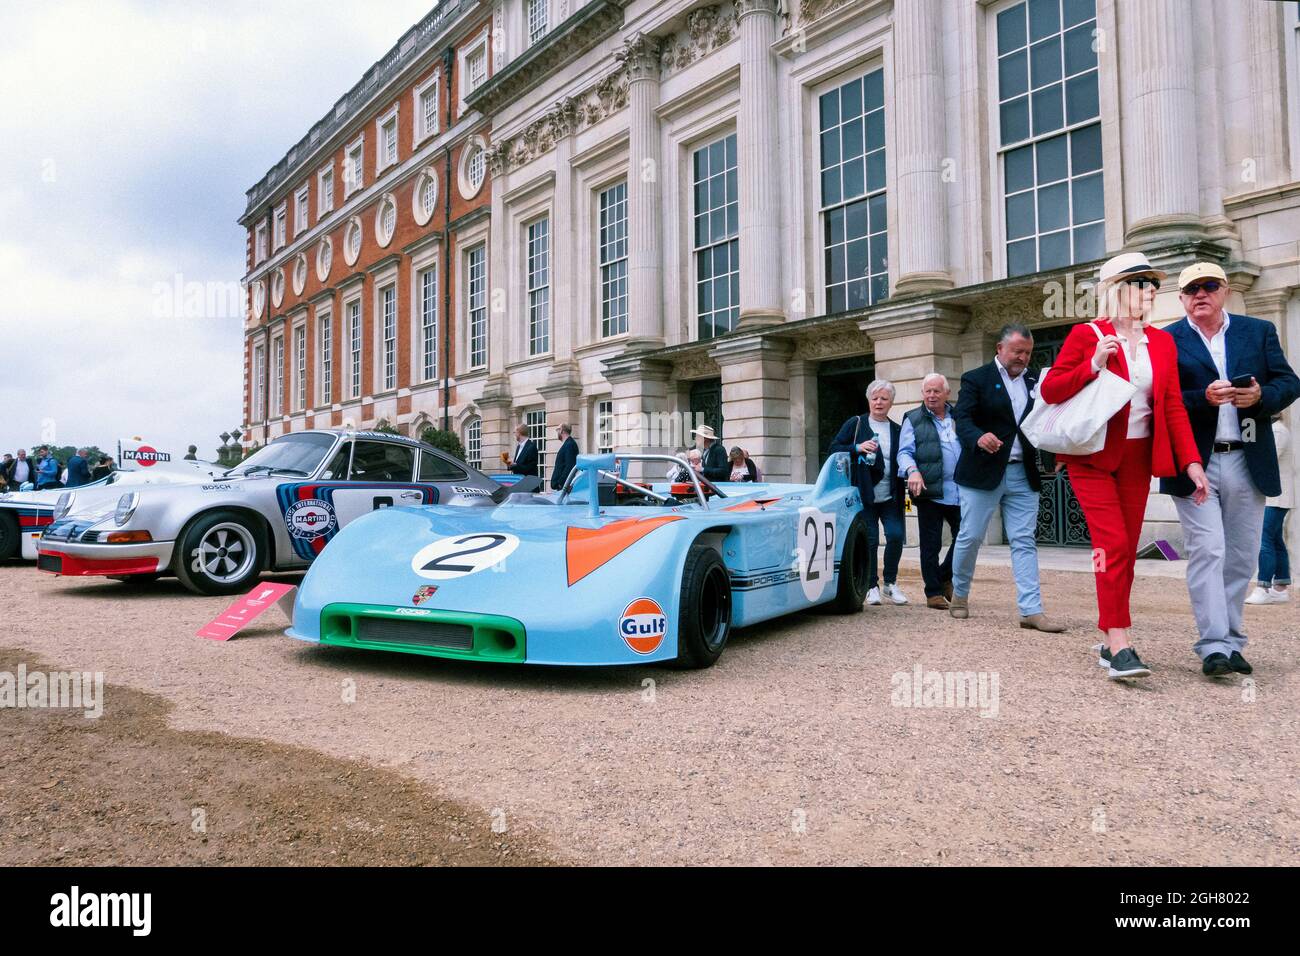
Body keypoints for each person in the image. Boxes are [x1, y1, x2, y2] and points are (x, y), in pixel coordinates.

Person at [1042, 252, 1209, 680]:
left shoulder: (1163, 342)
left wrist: (1191, 462)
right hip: (1092, 457)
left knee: (1125, 551)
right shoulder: (1086, 334)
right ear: (1115, 289)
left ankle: (1108, 637)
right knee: (1111, 544)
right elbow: (1053, 390)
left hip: (1138, 459)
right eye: (1140, 283)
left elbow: (1171, 406)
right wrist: (1092, 364)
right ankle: (1119, 640)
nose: (1150, 291)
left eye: (1152, 284)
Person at [1160, 261, 1300, 676]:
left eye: (1209, 286)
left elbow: (1289, 383)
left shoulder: (1257, 331)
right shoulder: (1167, 340)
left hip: (1247, 456)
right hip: (1194, 463)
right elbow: (1160, 400)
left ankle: (1232, 640)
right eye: (1191, 289)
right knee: (1208, 549)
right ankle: (1213, 646)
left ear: (1224, 291)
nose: (1200, 294)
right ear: (1182, 297)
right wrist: (1202, 397)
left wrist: (1260, 396)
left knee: (1240, 555)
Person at [949, 325, 1065, 632]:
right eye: (1017, 351)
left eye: (1027, 352)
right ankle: (959, 594)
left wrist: (1056, 454)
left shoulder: (1035, 380)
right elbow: (961, 418)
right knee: (970, 537)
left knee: (1024, 541)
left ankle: (1031, 610)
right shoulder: (976, 378)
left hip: (1022, 473)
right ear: (1000, 348)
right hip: (981, 472)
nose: (1023, 358)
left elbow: (1047, 420)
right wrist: (978, 436)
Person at [830, 381, 908, 606]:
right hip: (865, 494)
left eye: (884, 398)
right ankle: (871, 585)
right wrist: (856, 448)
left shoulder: (897, 429)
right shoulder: (856, 423)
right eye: (875, 398)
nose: (879, 402)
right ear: (868, 400)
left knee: (895, 536)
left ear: (891, 402)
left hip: (891, 494)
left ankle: (890, 583)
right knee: (871, 540)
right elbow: (834, 448)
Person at [898, 373, 962, 609]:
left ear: (947, 393)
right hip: (929, 489)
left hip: (961, 489)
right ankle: (933, 592)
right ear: (922, 394)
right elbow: (903, 452)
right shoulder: (913, 418)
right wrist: (912, 471)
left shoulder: (959, 415)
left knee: (968, 537)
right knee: (931, 544)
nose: (932, 395)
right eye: (927, 391)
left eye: (936, 391)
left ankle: (945, 575)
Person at [1246, 416, 1292, 605]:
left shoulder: (1278, 430)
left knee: (1264, 539)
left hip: (1277, 496)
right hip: (1275, 496)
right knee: (1275, 539)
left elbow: (1268, 459)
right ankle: (1280, 587)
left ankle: (1263, 586)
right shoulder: (1273, 429)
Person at [550, 424, 579, 490]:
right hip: (562, 486)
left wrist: (560, 483)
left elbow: (570, 466)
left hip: (563, 486)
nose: (557, 432)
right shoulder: (568, 443)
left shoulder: (569, 444)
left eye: (557, 430)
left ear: (562, 431)